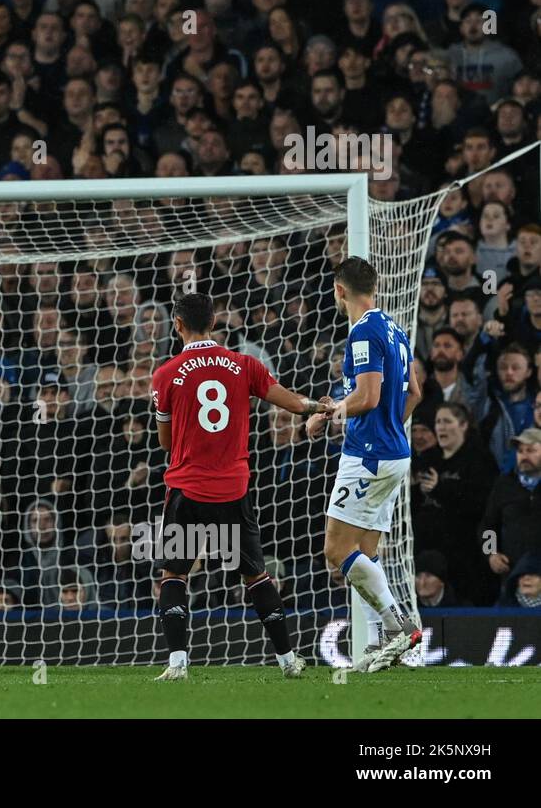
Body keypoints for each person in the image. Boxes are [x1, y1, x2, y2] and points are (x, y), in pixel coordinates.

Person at [150, 292, 324, 681]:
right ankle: (288, 660)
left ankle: (178, 663)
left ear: (177, 325)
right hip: (233, 488)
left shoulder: (165, 374)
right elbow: (294, 404)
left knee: (175, 576)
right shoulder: (244, 364)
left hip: (187, 489)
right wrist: (320, 408)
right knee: (256, 576)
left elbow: (165, 442)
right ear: (214, 322)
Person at [306, 257, 423, 673]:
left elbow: (369, 396)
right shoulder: (394, 329)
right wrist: (379, 422)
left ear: (340, 290)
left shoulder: (363, 332)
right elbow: (415, 393)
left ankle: (398, 628)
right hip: (394, 455)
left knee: (336, 551)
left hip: (369, 457)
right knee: (365, 556)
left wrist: (338, 410)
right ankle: (380, 643)